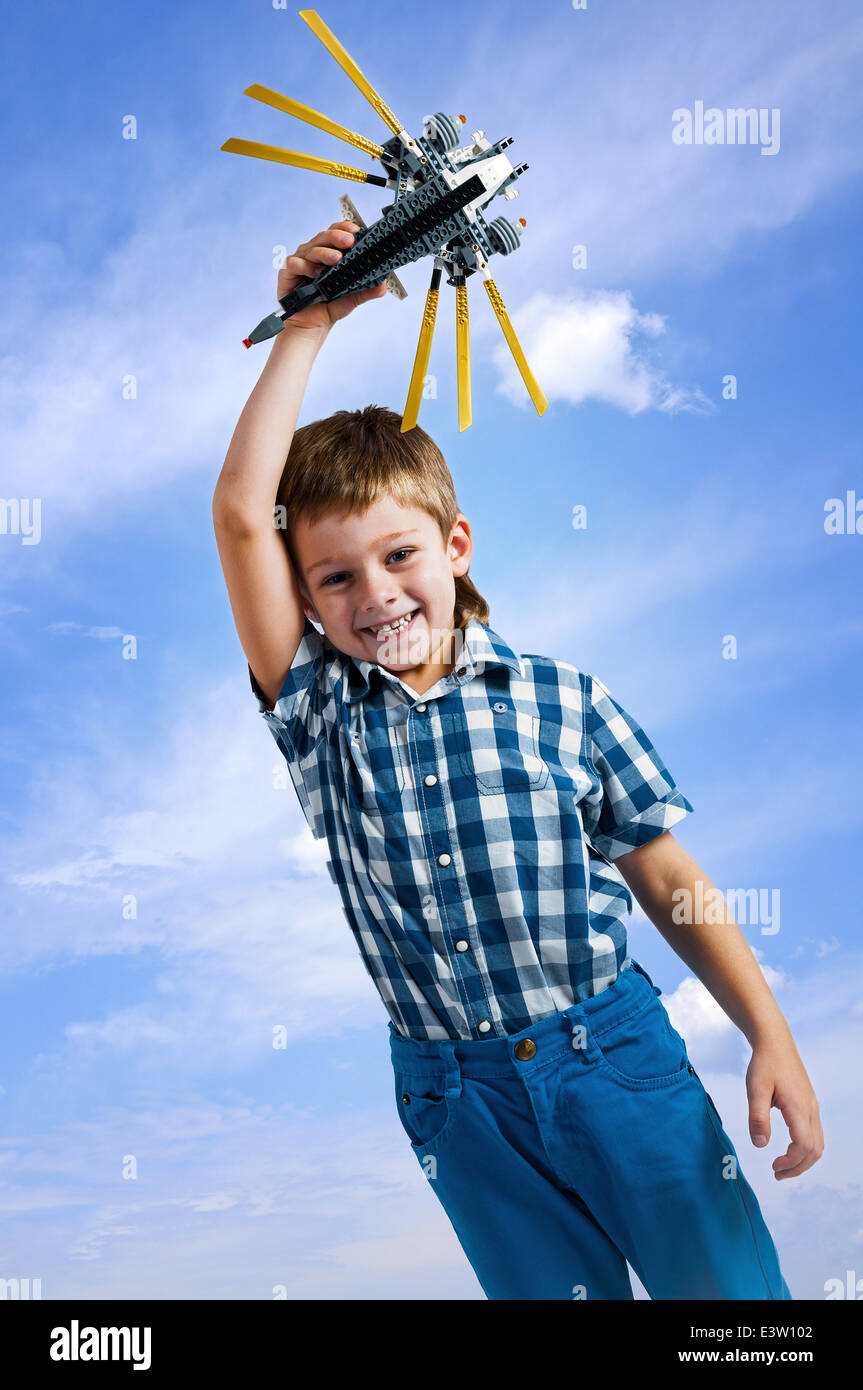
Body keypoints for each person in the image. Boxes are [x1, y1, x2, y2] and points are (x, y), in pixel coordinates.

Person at [212, 221, 822, 1300]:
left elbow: (669, 880)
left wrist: (766, 1033)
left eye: (397, 555)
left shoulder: (561, 698)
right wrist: (306, 326)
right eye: (335, 578)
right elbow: (238, 519)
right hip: (458, 1098)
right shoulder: (318, 714)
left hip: (616, 1059)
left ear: (453, 547)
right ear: (304, 600)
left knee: (732, 1311)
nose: (375, 594)